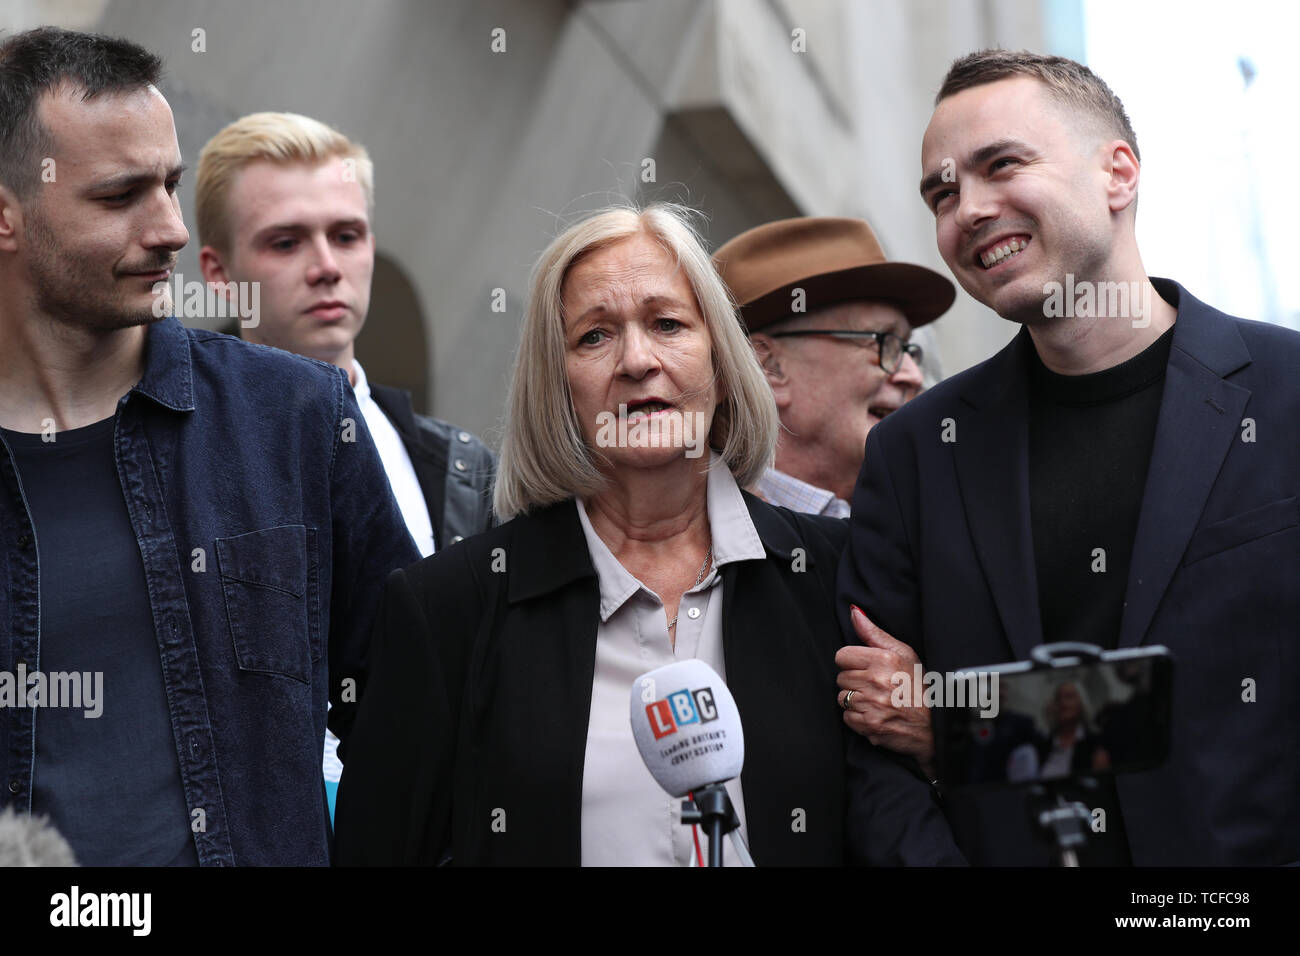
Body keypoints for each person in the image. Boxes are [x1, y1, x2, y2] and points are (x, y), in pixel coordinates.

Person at [334, 203, 958, 865]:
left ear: (721, 364)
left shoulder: (835, 576)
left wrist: (938, 732)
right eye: (594, 336)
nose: (637, 360)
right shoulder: (449, 609)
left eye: (667, 324)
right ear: (557, 385)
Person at [838, 49, 1300, 865]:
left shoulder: (1287, 394)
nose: (969, 210)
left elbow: (1243, 698)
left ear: (1117, 173)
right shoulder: (915, 454)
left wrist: (966, 727)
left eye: (1001, 165)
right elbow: (871, 757)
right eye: (943, 192)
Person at [0, 27, 418, 865]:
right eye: (122, 196)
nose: (171, 230)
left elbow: (423, 722)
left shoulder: (297, 417)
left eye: (172, 185)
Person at [193, 111, 495, 809]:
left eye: (347, 235)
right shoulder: (168, 452)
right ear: (217, 271)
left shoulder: (459, 464)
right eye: (285, 241)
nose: (326, 264)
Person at [713, 216, 953, 516]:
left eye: (906, 349)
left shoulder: (929, 528)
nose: (913, 376)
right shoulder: (692, 538)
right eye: (884, 342)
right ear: (769, 367)